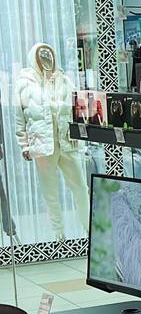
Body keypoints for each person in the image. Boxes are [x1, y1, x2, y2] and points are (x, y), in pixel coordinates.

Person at [13, 42, 89, 240]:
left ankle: (89, 230)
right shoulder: (24, 83)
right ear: (35, 58)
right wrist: (25, 145)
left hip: (66, 142)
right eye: (42, 56)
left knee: (80, 187)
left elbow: (78, 109)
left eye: (49, 55)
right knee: (51, 193)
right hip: (42, 145)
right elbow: (19, 118)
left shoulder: (63, 80)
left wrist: (81, 138)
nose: (47, 59)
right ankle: (58, 235)